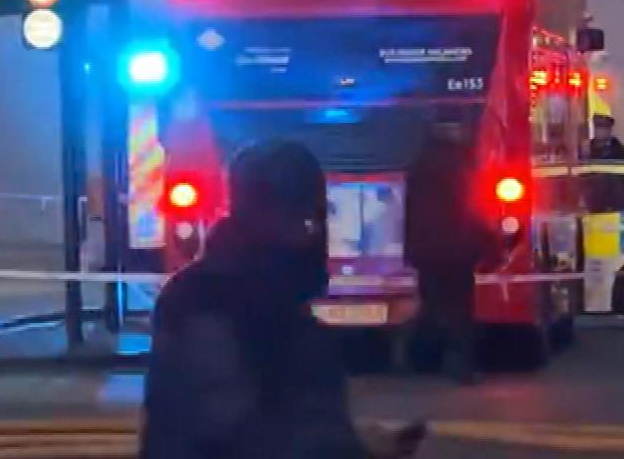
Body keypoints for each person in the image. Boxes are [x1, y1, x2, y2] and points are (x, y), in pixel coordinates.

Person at [142, 140, 425, 458]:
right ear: (271, 216)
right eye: (307, 219)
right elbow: (233, 430)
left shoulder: (253, 292)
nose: (314, 236)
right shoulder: (215, 301)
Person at [403, 117, 497, 385]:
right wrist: (488, 244)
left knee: (432, 304)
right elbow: (472, 210)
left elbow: (411, 213)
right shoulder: (461, 166)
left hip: (427, 252)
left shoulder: (419, 166)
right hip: (457, 251)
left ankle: (419, 357)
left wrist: (411, 250)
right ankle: (460, 366)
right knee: (459, 310)